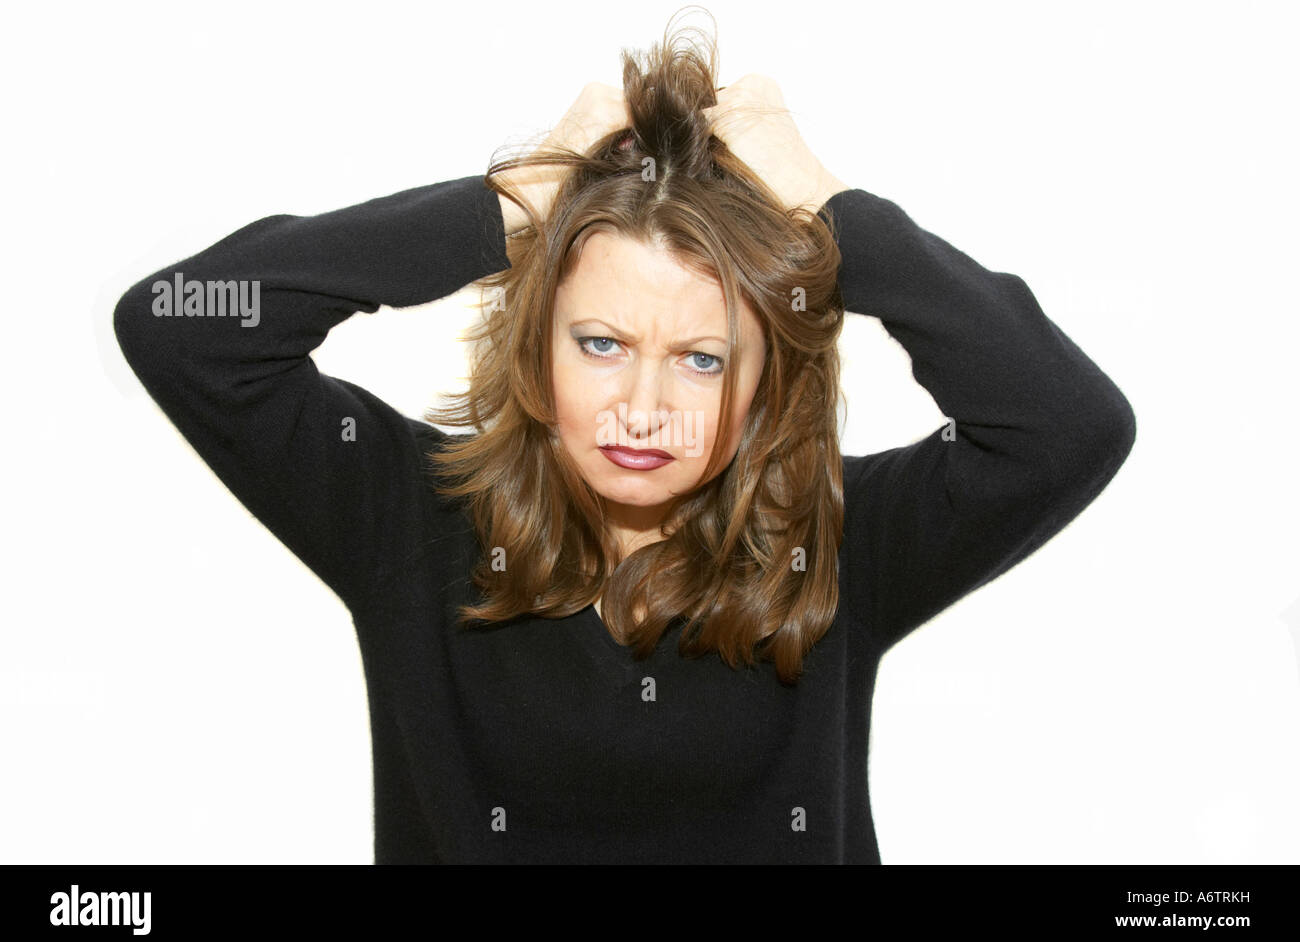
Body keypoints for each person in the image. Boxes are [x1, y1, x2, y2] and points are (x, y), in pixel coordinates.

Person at [112, 19, 1136, 863]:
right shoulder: (408, 518)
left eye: (701, 358)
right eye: (601, 343)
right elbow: (182, 323)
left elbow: (1066, 424)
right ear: (536, 345)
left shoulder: (834, 539)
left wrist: (830, 212)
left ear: (765, 380)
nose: (642, 406)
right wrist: (512, 200)